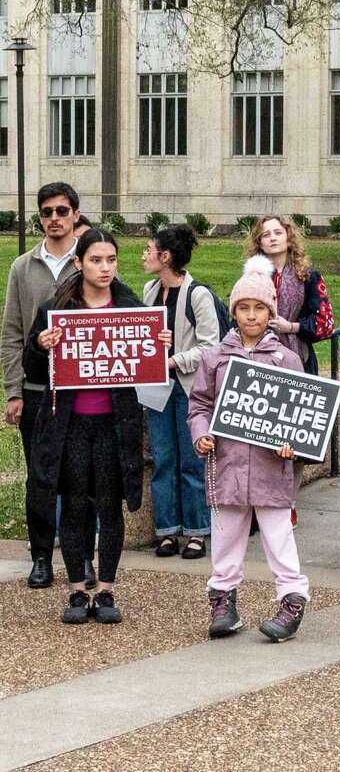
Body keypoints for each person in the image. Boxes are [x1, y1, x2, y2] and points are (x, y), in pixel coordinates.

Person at [26, 228, 168, 624]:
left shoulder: (131, 307)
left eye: (111, 260)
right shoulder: (56, 307)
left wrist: (159, 343)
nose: (105, 268)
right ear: (79, 263)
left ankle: (106, 589)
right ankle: (76, 590)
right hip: (69, 426)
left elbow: (147, 364)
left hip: (114, 424)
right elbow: (33, 368)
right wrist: (42, 345)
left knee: (110, 506)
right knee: (72, 506)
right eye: (95, 260)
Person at [187, 257, 312, 642]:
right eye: (244, 308)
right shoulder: (215, 358)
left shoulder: (287, 359)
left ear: (270, 312)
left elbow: (303, 412)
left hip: (272, 470)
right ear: (234, 311)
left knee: (279, 538)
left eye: (259, 308)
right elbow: (199, 406)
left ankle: (292, 600)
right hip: (226, 467)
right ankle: (223, 600)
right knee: (225, 537)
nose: (252, 316)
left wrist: (295, 444)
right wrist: (201, 434)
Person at [2, 182, 95, 589]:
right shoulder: (23, 267)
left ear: (75, 213)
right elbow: (11, 332)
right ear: (39, 218)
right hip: (38, 391)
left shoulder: (91, 262)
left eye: (61, 211)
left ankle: (84, 558)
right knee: (40, 477)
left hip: (84, 392)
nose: (54, 219)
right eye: (46, 212)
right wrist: (13, 390)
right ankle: (41, 556)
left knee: (84, 477)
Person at [141, 224, 220, 560]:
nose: (144, 255)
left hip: (188, 388)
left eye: (149, 249)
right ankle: (167, 531)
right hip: (156, 389)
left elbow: (210, 347)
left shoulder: (197, 294)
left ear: (166, 256)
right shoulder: (148, 290)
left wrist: (174, 359)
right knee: (163, 459)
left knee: (191, 460)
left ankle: (197, 532)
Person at [244, 215, 334, 375]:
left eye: (278, 233)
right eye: (266, 235)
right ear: (260, 243)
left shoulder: (308, 275)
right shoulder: (251, 276)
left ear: (288, 237)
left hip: (299, 358)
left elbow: (325, 323)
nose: (272, 238)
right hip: (257, 358)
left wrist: (291, 327)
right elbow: (238, 318)